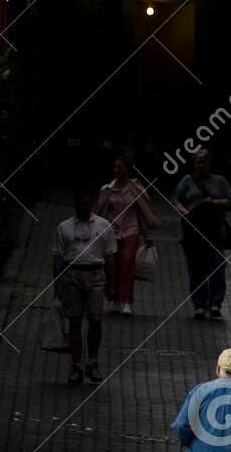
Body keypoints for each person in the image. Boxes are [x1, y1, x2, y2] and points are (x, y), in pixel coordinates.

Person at [52, 189, 117, 385]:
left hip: (96, 275)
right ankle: (76, 365)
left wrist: (112, 284)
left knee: (95, 319)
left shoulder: (104, 226)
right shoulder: (64, 228)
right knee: (74, 321)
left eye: (87, 205)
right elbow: (57, 257)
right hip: (72, 275)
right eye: (81, 205)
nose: (84, 208)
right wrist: (58, 284)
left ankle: (93, 361)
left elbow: (110, 255)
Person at [174, 148, 231, 320]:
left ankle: (215, 302)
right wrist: (187, 213)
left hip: (214, 229)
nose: (201, 165)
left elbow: (230, 202)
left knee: (217, 267)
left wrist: (214, 202)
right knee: (195, 268)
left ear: (209, 163)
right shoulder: (187, 180)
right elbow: (176, 200)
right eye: (198, 162)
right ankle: (199, 303)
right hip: (193, 231)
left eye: (204, 161)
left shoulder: (220, 181)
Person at [95, 156, 156, 317]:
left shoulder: (135, 187)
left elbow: (145, 210)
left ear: (128, 169)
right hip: (112, 231)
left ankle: (126, 301)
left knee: (127, 263)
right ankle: (114, 297)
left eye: (120, 167)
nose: (117, 171)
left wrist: (146, 234)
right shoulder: (108, 188)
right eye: (115, 167)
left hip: (131, 230)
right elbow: (99, 210)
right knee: (112, 265)